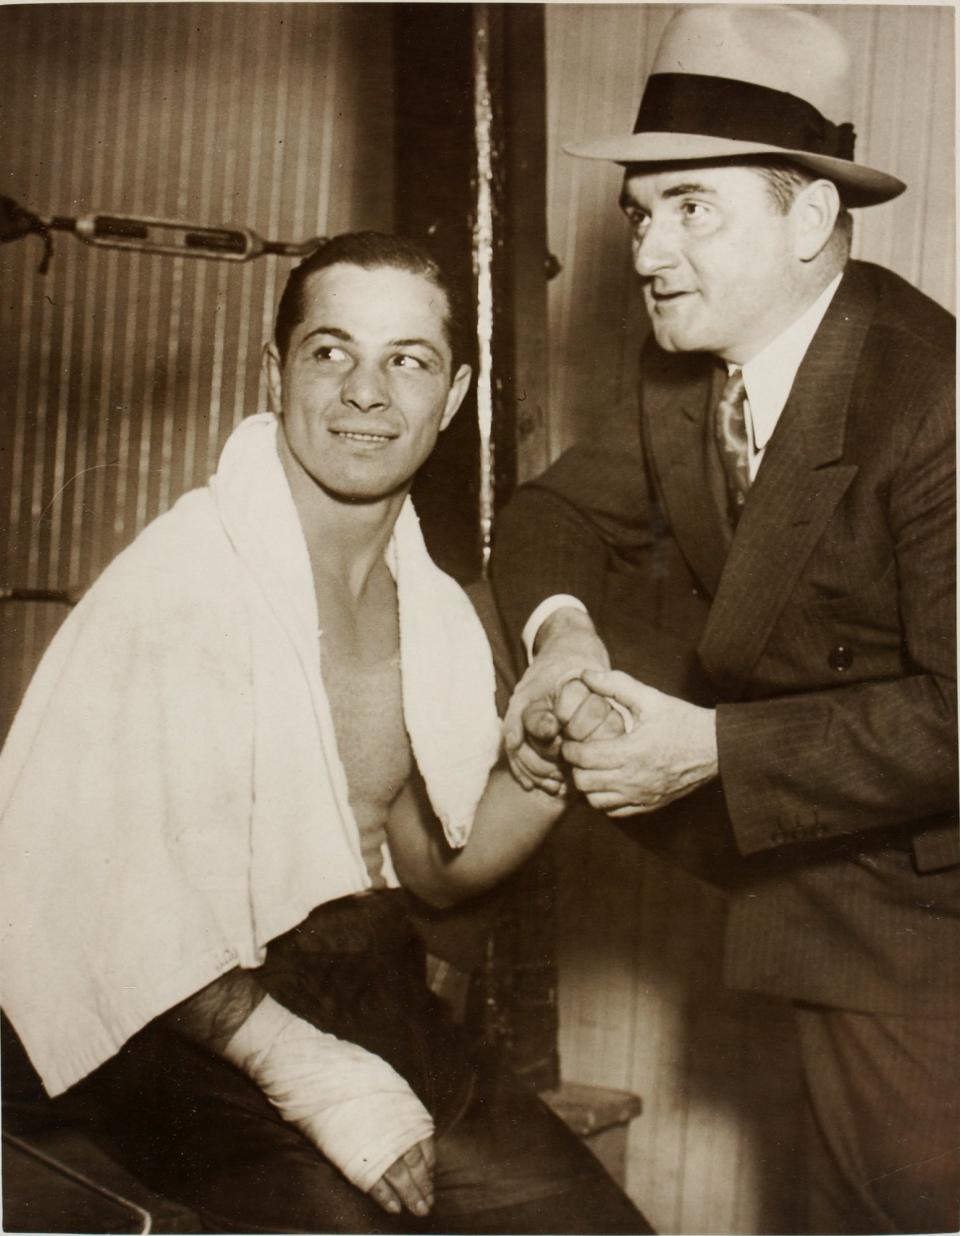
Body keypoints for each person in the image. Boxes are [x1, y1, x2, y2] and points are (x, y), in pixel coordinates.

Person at [0, 232, 649, 1234]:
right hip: (175, 1026)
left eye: (408, 361)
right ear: (277, 371)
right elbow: (79, 891)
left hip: (367, 987)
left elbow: (430, 868)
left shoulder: (429, 605)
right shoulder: (178, 584)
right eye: (331, 351)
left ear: (454, 394)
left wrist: (550, 763)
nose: (365, 394)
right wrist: (302, 1066)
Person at [490, 8, 958, 1234]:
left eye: (693, 207)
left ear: (810, 219)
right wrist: (564, 637)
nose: (650, 251)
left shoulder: (935, 399)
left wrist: (707, 750)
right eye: (640, 212)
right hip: (817, 888)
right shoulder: (691, 374)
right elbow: (548, 516)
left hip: (931, 929)